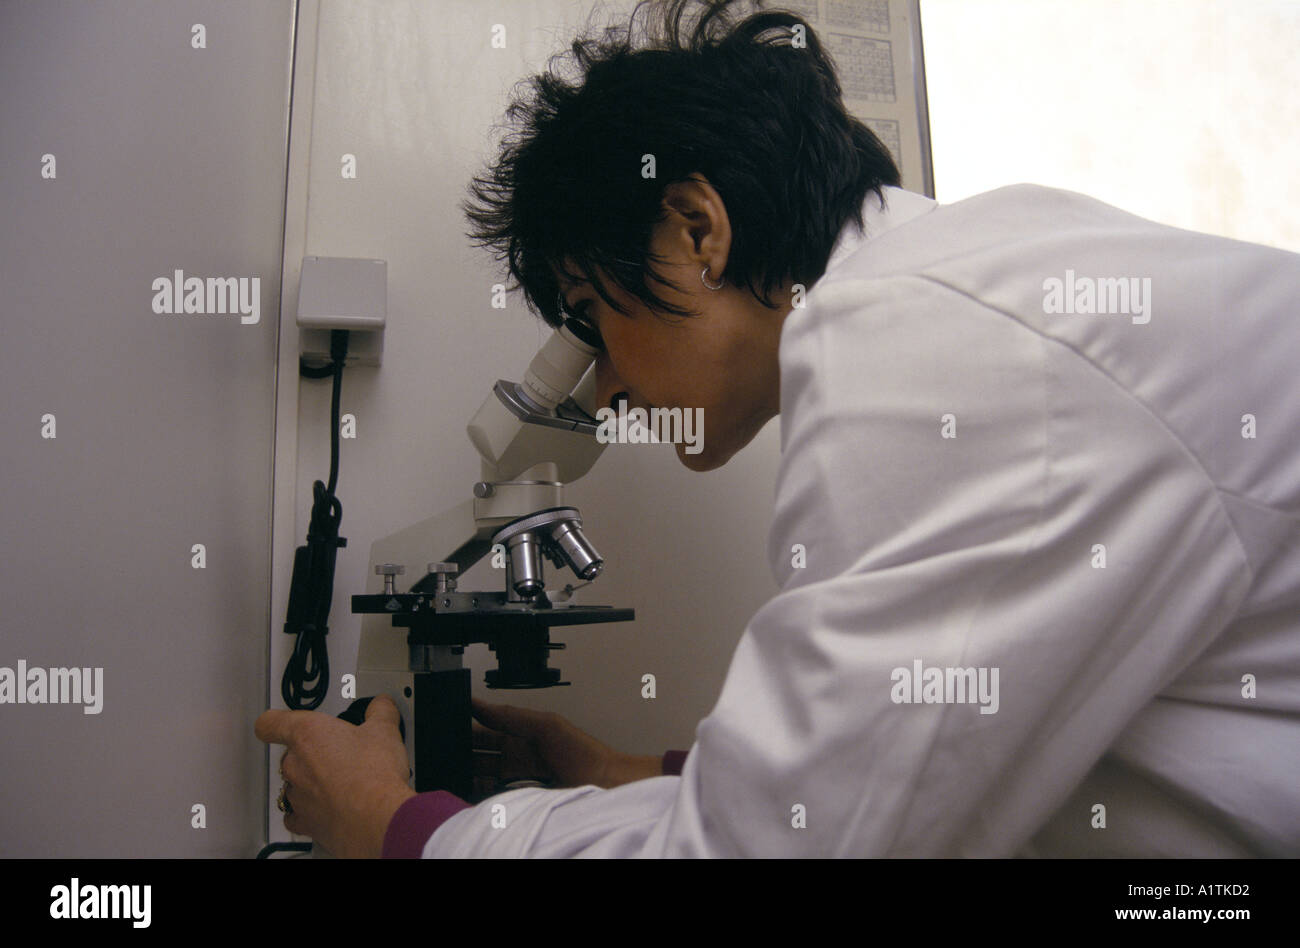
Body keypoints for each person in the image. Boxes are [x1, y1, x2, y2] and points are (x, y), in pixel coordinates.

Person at [255, 0, 1300, 858]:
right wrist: (645, 779)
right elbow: (909, 780)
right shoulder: (961, 287)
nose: (603, 390)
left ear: (695, 229)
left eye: (590, 319)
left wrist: (399, 832)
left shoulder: (905, 336)